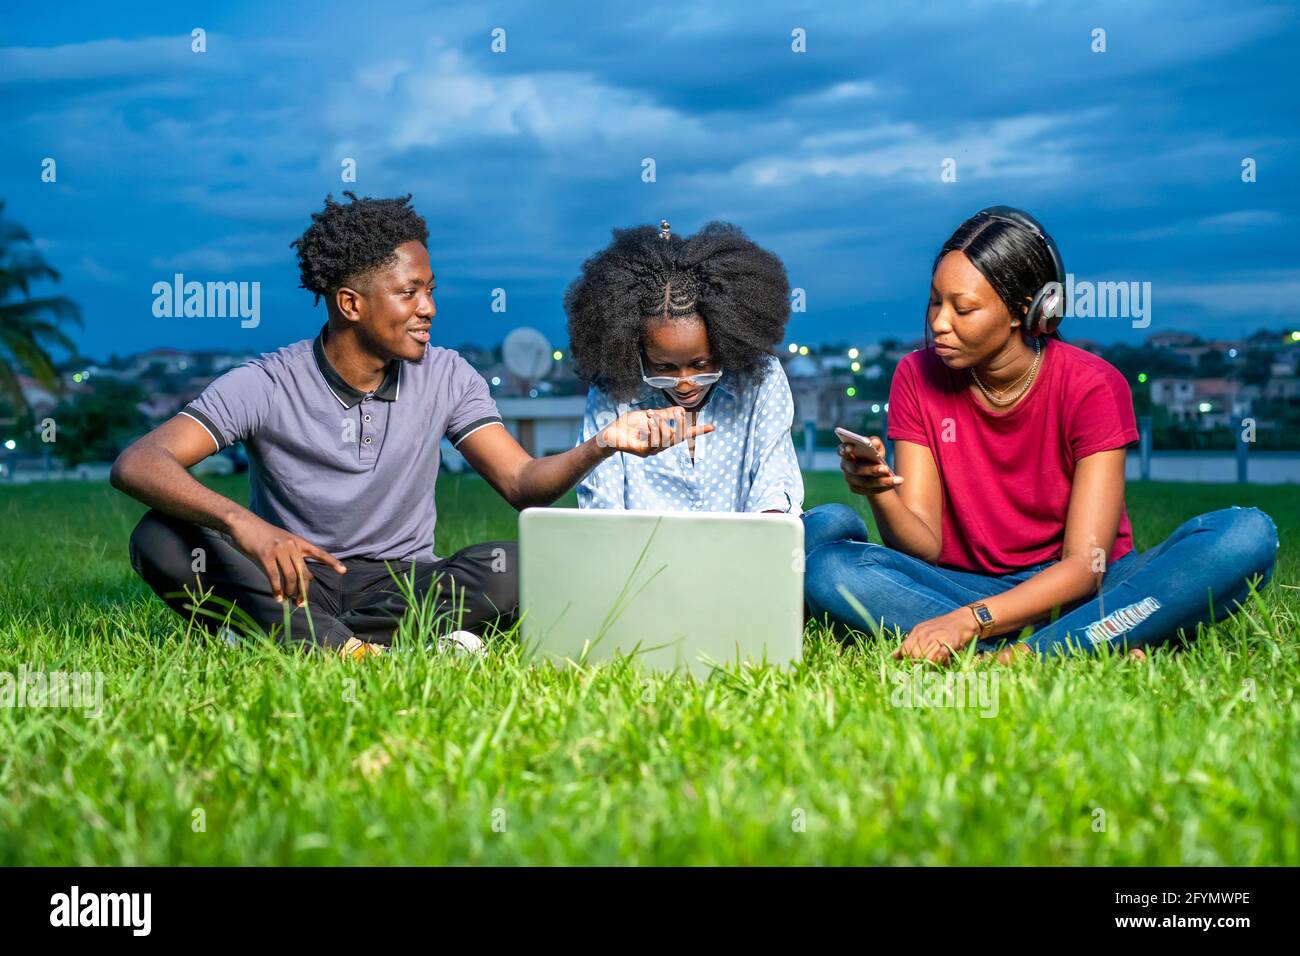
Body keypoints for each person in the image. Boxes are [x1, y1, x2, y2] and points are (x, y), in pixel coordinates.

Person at [112, 193, 708, 660]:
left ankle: (293, 639)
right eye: (410, 293)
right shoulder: (266, 382)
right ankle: (355, 648)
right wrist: (245, 526)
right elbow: (139, 463)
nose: (430, 308)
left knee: (519, 565)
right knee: (161, 537)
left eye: (430, 290)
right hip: (292, 578)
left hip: (404, 586)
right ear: (351, 304)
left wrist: (602, 444)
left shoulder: (448, 376)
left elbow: (522, 484)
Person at [803, 206, 1278, 662]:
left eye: (963, 309)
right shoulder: (916, 375)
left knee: (1245, 534)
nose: (939, 323)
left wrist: (971, 620)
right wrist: (880, 490)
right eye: (935, 301)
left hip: (1084, 590)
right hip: (965, 586)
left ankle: (1023, 654)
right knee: (831, 570)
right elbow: (924, 547)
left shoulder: (1093, 385)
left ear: (1024, 311)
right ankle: (1091, 641)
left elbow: (1084, 567)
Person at [567, 220, 803, 514]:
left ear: (726, 343)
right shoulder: (612, 389)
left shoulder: (761, 379)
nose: (685, 383)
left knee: (834, 519)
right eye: (664, 367)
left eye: (700, 364)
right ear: (635, 352)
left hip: (749, 541)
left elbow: (775, 485)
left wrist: (762, 533)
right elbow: (601, 507)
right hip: (645, 544)